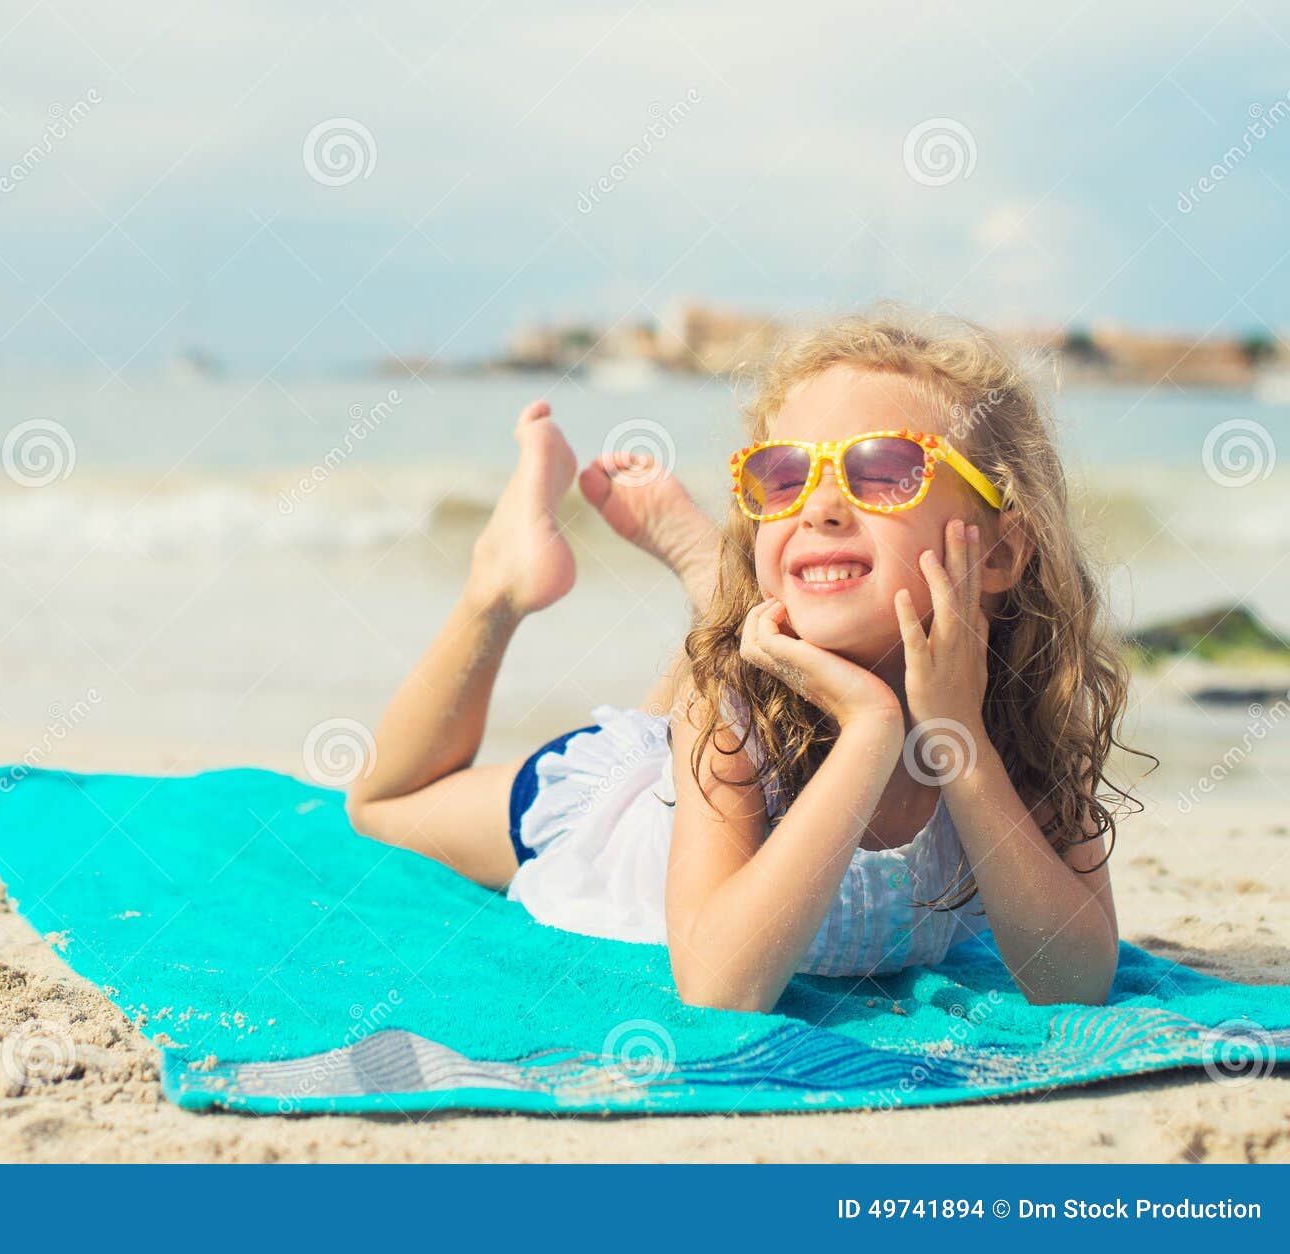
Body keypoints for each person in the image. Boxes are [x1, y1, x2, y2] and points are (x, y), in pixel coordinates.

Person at [345, 309, 1146, 1013]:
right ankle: (501, 579)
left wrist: (958, 736)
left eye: (885, 470)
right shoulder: (727, 707)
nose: (822, 504)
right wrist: (871, 732)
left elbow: (1072, 979)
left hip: (766, 717)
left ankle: (709, 589)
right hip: (621, 818)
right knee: (383, 806)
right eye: (783, 476)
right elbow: (722, 987)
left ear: (1001, 552)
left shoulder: (1020, 711)